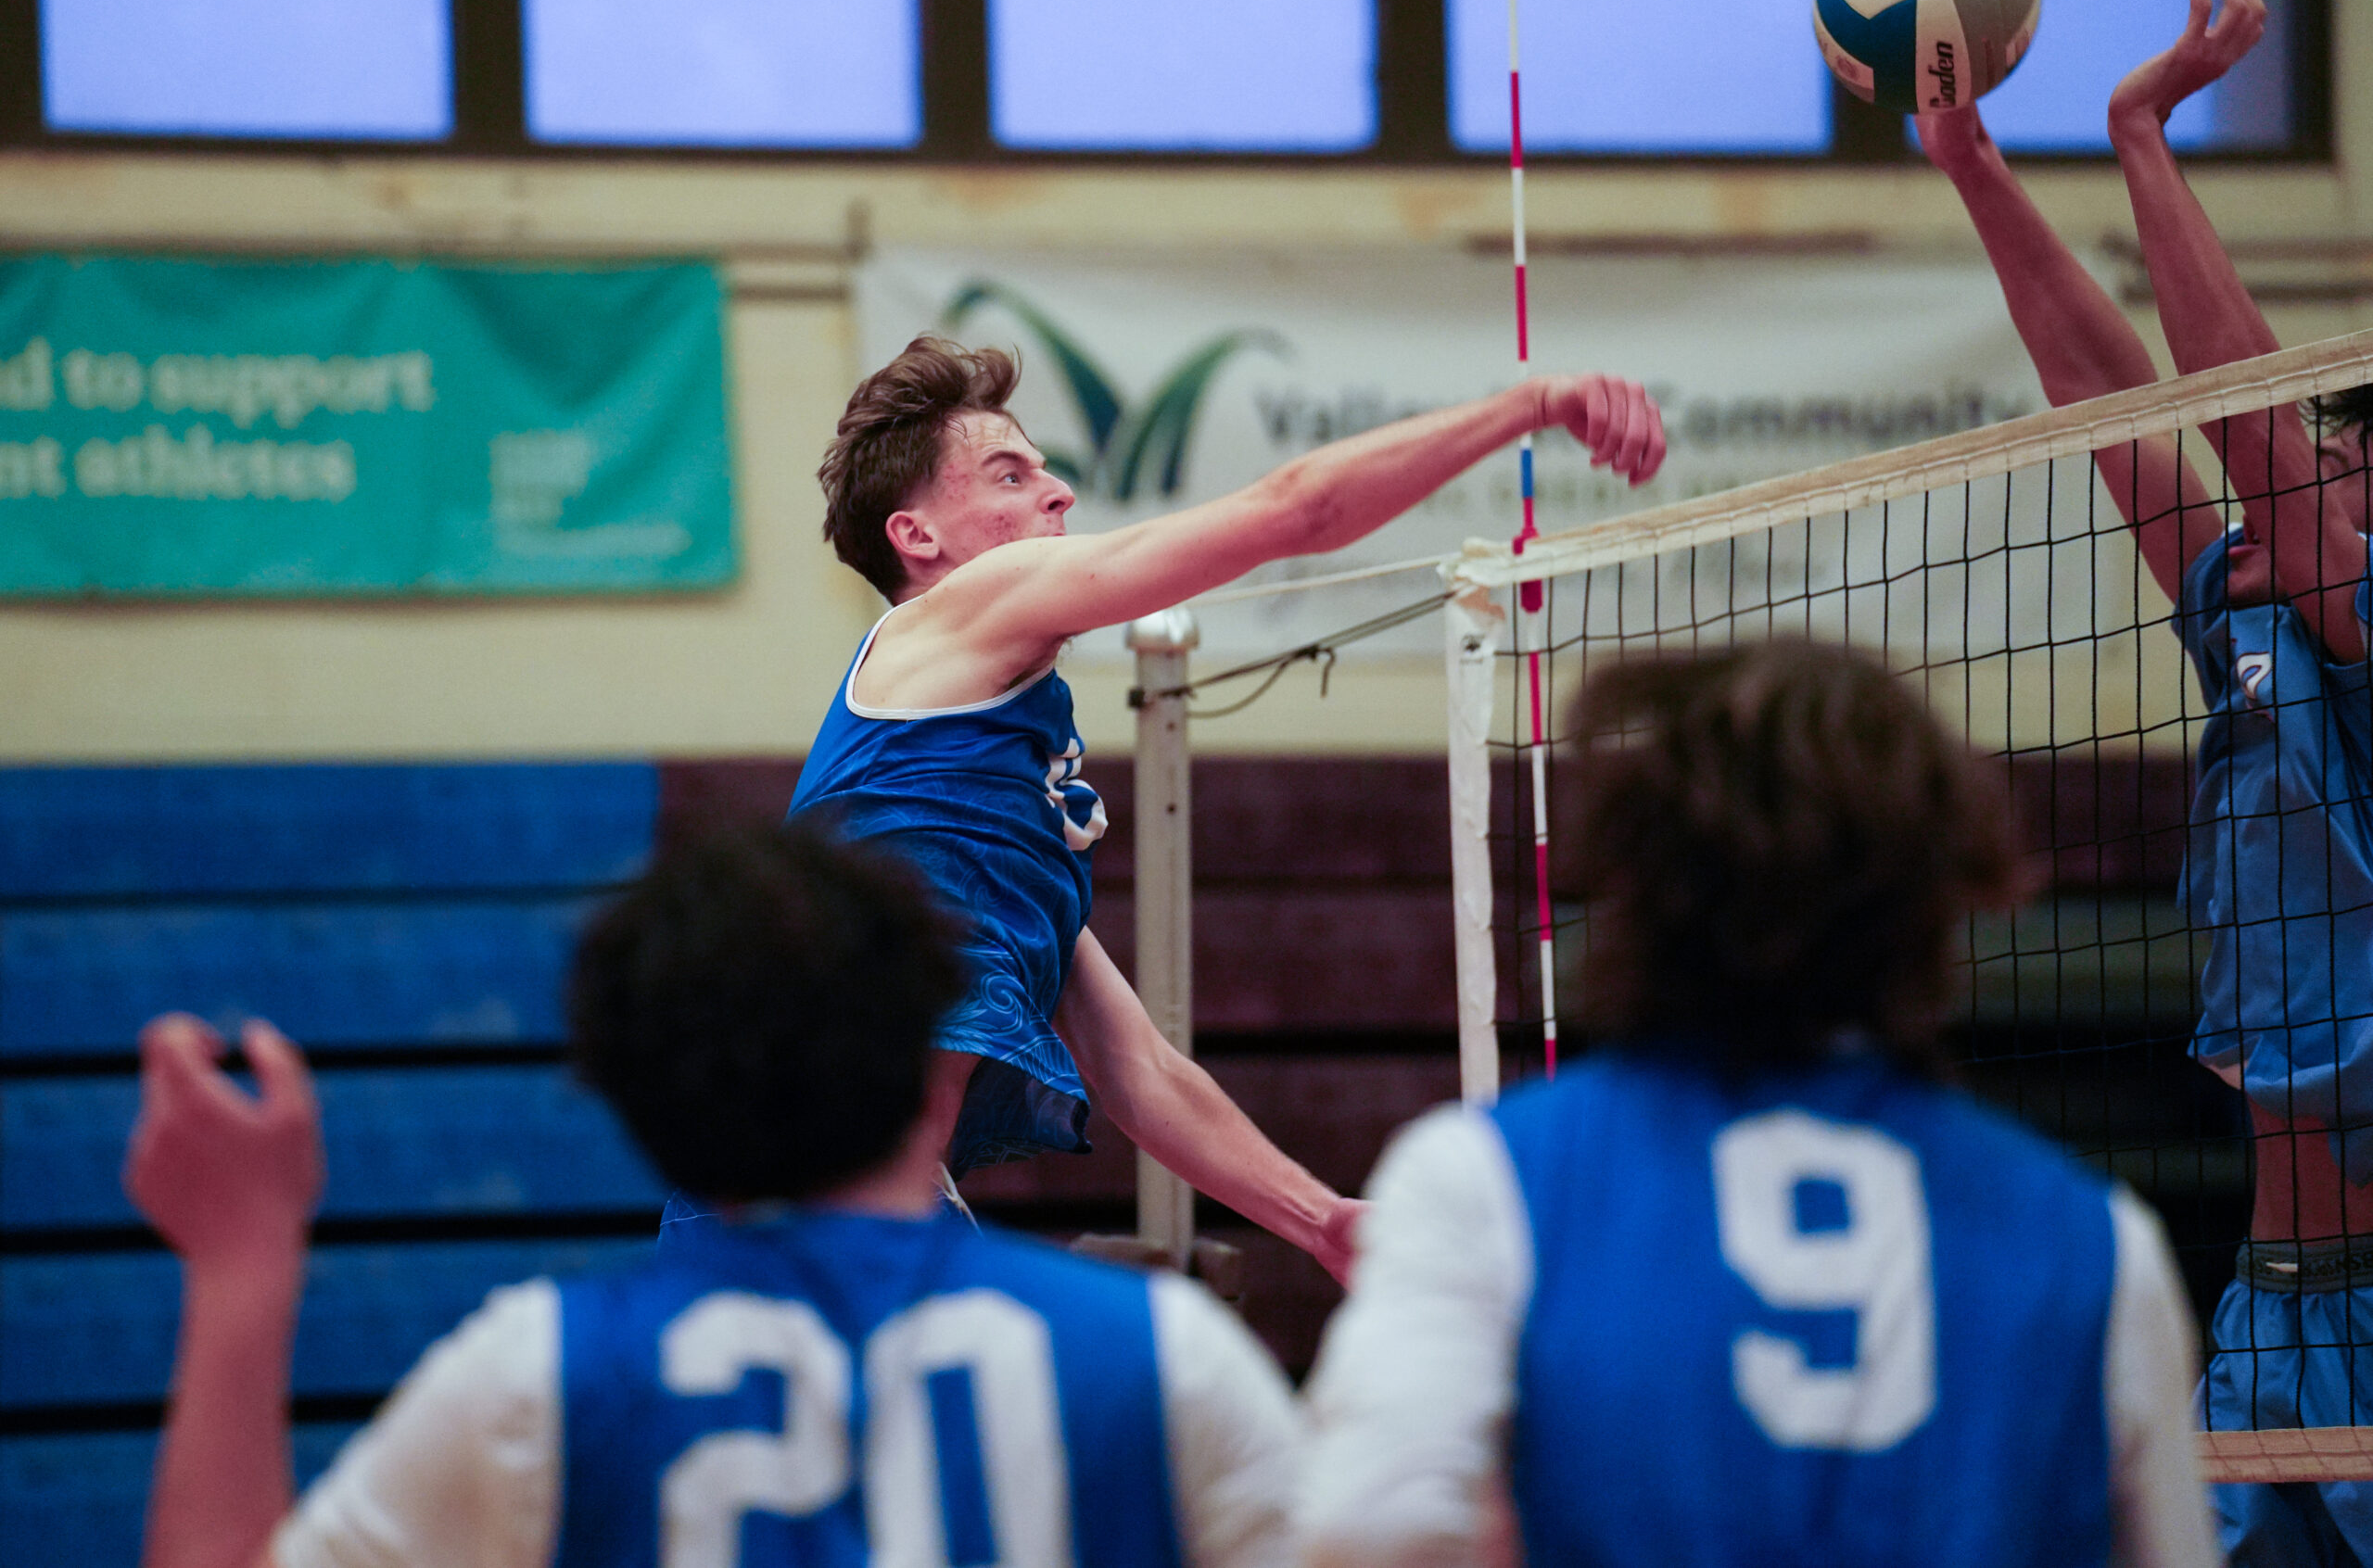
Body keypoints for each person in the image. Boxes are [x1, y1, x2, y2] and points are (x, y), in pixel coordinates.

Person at [126, 821, 1303, 1568]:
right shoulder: (1163, 1357)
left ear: (633, 1093)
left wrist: (242, 1264)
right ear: (928, 1045)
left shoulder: (530, 1377)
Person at [1297, 639, 2218, 1568]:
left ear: (1638, 880)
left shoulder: (1485, 1180)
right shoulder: (2097, 1243)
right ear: (1934, 900)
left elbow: (1370, 1529)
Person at [793, 338, 1664, 1279]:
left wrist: (1320, 1221)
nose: (1058, 494)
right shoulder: (962, 605)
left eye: (1047, 469)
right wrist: (1528, 405)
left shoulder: (976, 791)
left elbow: (1138, 1069)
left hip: (855, 1203)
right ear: (919, 539)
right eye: (1010, 475)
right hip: (807, 1206)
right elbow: (1300, 507)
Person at [1920, 0, 2373, 1562]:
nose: (2297, 481)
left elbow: (2261, 451)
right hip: (2272, 1315)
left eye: (2339, 461)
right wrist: (1976, 170)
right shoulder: (2260, 636)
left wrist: (2144, 135)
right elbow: (2114, 408)